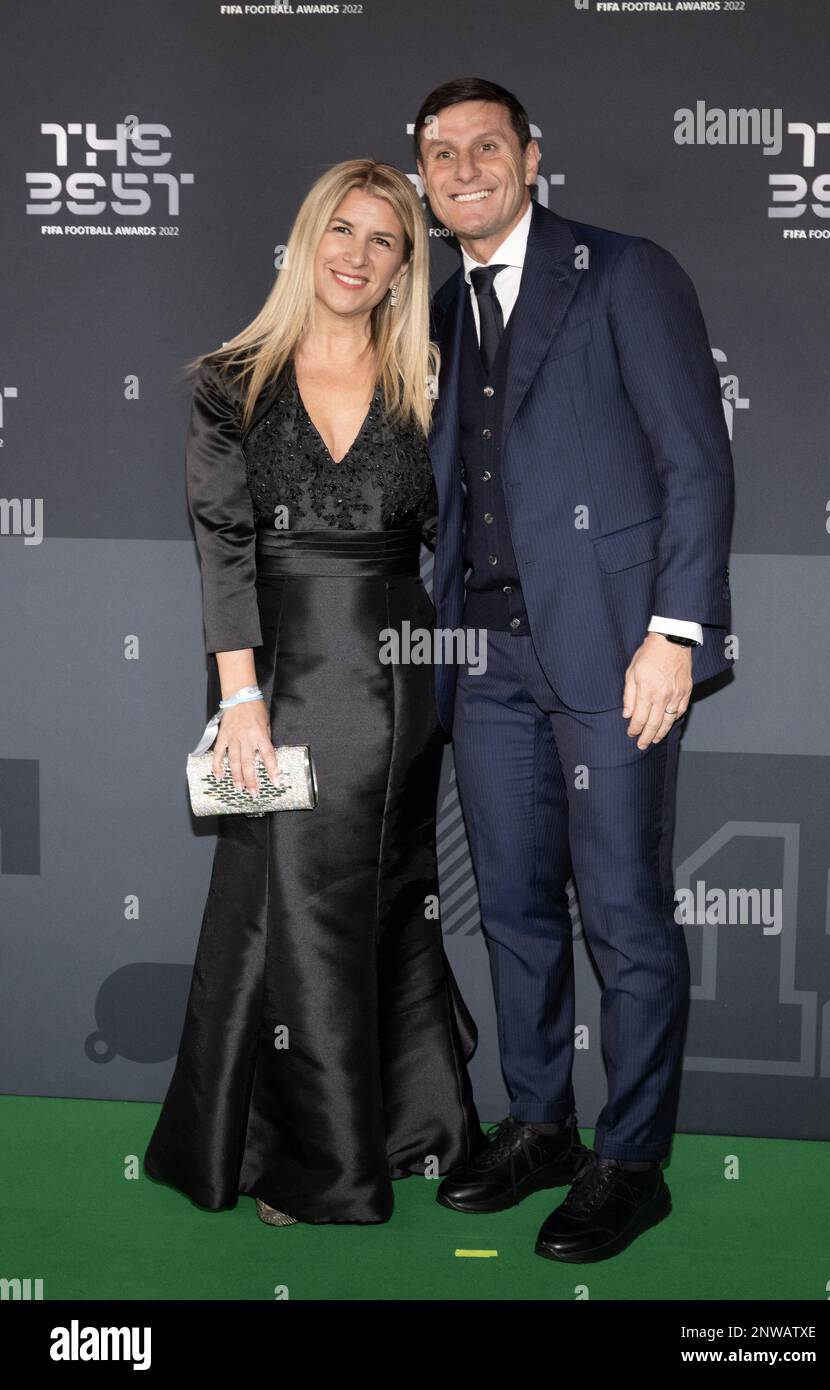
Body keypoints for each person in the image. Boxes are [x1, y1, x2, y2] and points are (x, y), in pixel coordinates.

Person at [414, 78, 735, 1262]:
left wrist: (676, 632)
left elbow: (694, 462)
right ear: (425, 176)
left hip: (614, 654)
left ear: (530, 157)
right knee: (509, 910)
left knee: (623, 916)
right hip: (484, 660)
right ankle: (540, 1120)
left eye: (484, 146)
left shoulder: (623, 272)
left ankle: (632, 1157)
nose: (463, 167)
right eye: (440, 152)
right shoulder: (441, 307)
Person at [144, 158, 484, 1227]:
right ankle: (297, 1152)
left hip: (399, 682)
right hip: (280, 681)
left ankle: (396, 1131)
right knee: (277, 910)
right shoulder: (229, 378)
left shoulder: (427, 376)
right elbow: (224, 551)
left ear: (400, 267)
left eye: (383, 240)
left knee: (383, 894)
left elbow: (461, 537)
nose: (357, 253)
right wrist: (239, 699)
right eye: (340, 229)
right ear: (305, 241)